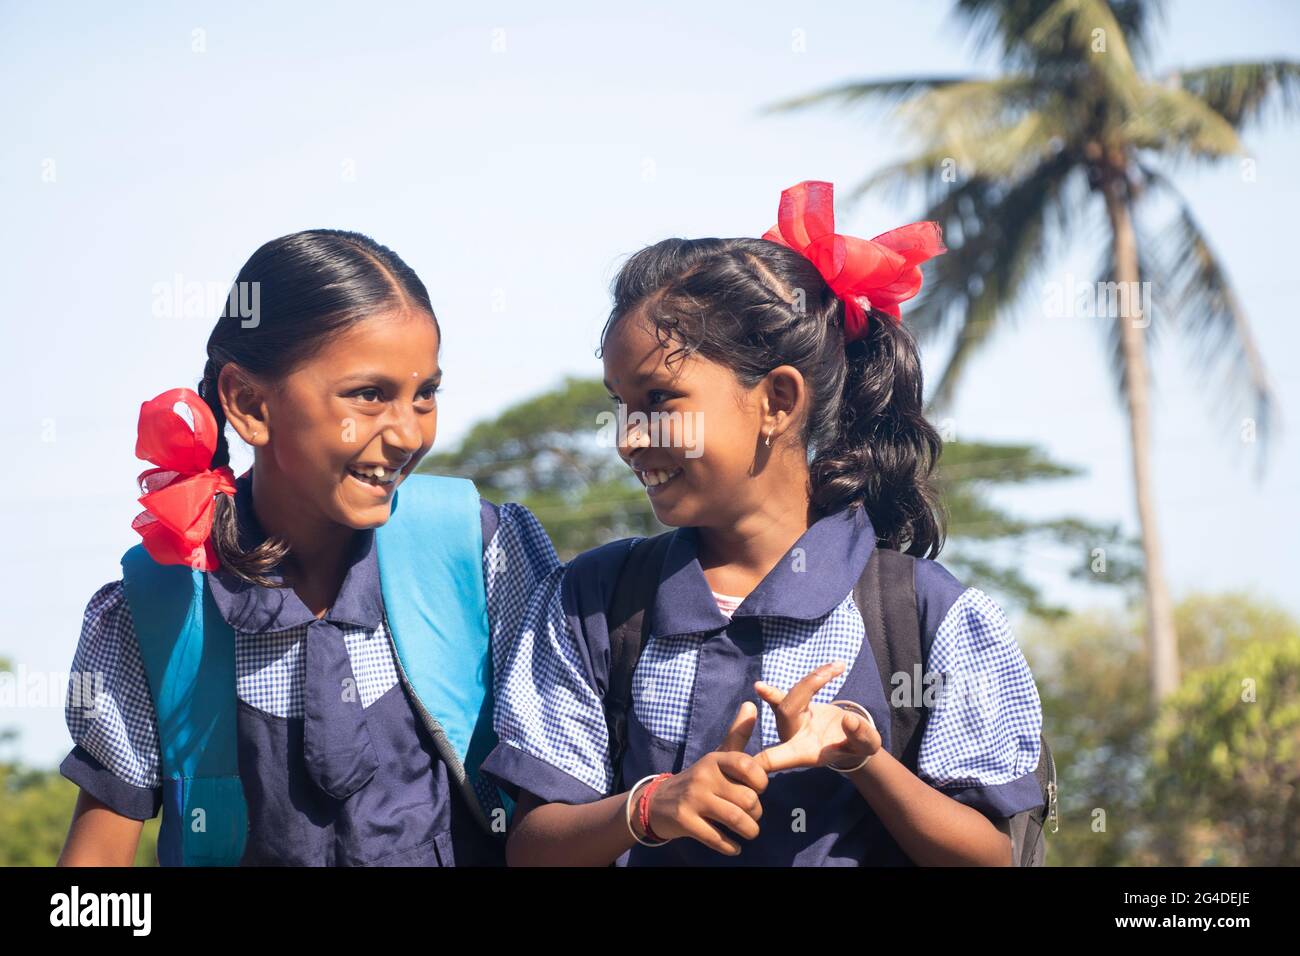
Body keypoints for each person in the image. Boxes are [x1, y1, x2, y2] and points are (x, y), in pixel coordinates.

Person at [482, 181, 1044, 866]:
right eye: (622, 405)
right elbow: (531, 848)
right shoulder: (594, 601)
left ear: (777, 400)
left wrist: (864, 761)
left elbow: (992, 857)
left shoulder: (928, 613)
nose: (629, 438)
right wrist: (650, 806)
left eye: (659, 400)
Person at [57, 229, 558, 866]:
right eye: (369, 395)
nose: (408, 433)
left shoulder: (482, 555)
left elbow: (564, 806)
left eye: (424, 393)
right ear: (248, 403)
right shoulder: (158, 605)